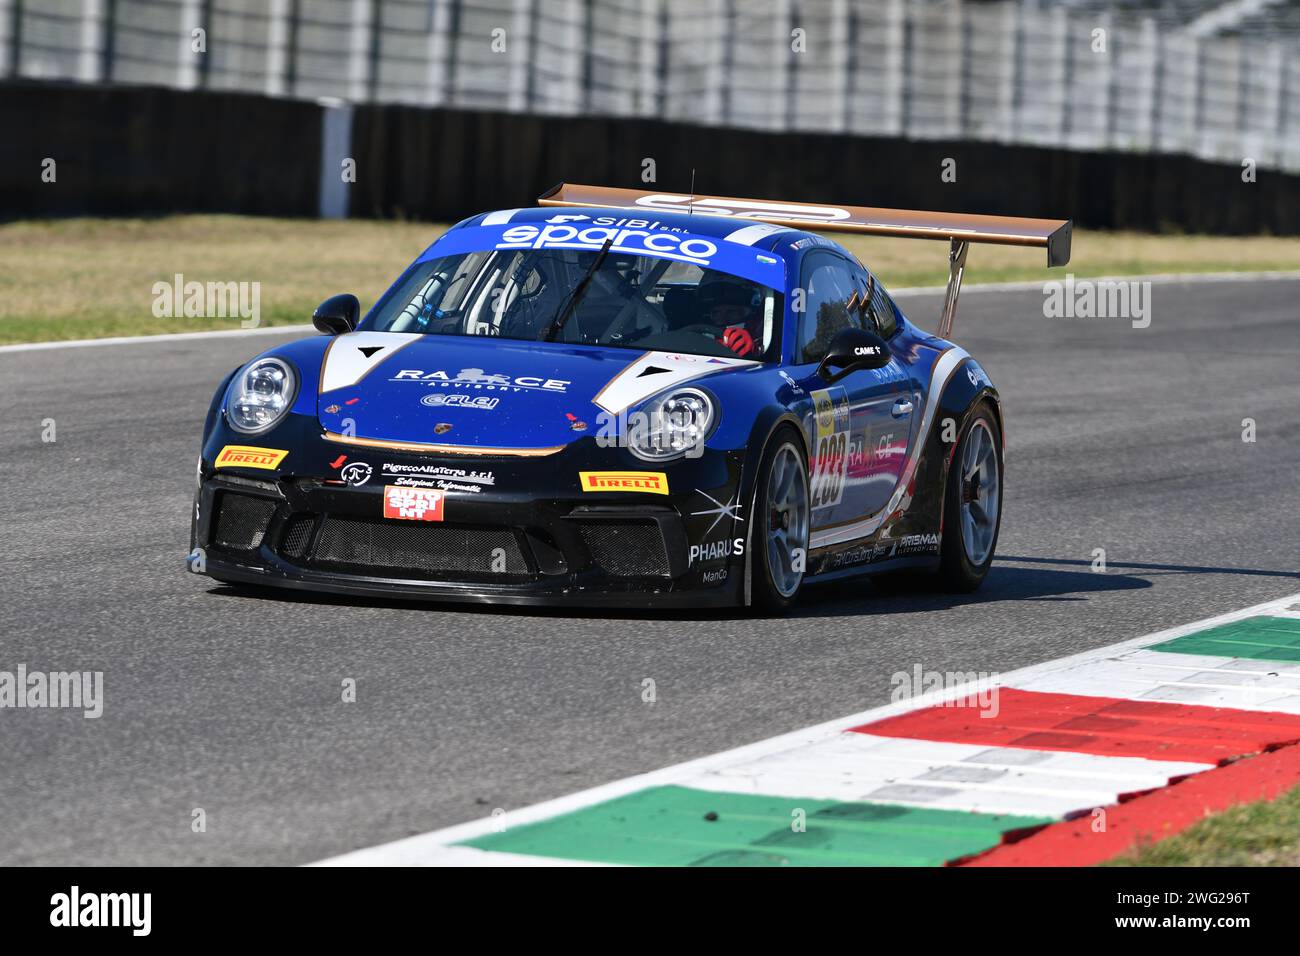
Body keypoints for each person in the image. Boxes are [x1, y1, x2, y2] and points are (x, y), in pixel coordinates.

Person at [697, 274, 763, 357]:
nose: (722, 319)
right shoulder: (695, 336)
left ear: (747, 313)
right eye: (716, 313)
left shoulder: (761, 339)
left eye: (731, 312)